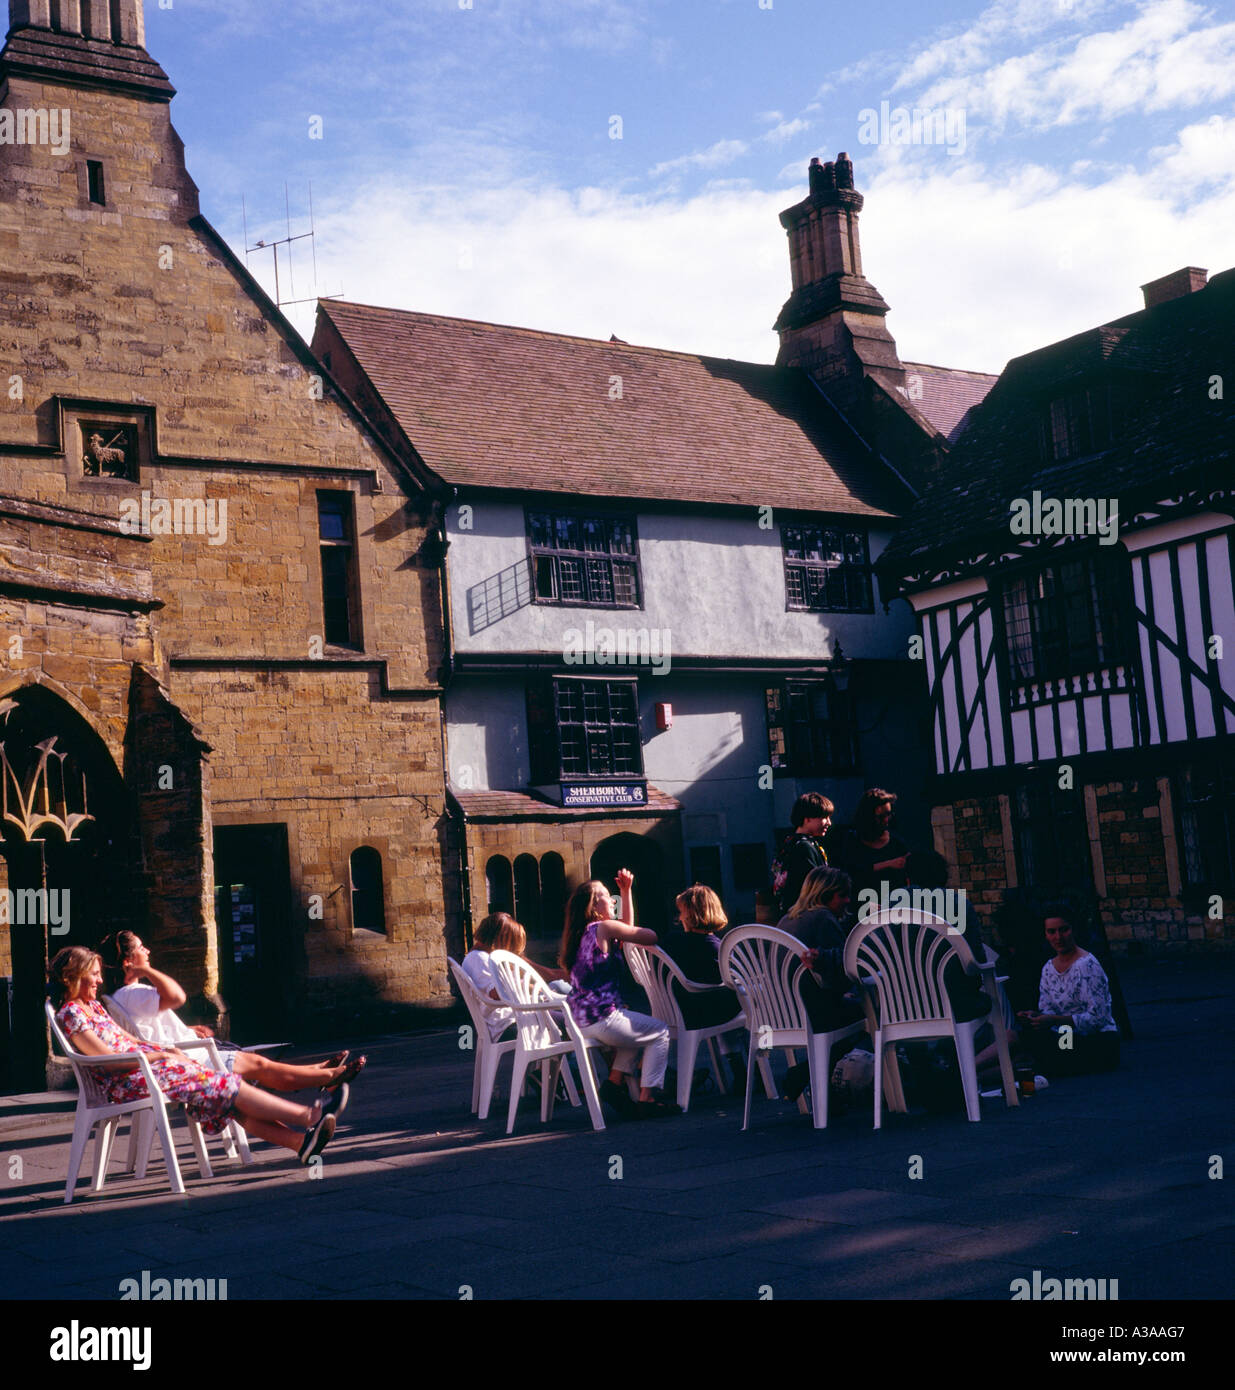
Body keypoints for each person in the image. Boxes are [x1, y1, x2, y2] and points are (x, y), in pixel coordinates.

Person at [51, 946, 340, 1165]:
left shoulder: (94, 1007)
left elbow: (130, 1040)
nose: (100, 981)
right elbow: (110, 1061)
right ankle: (308, 1116)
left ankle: (301, 1143)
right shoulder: (71, 1014)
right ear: (70, 977)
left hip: (146, 1068)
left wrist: (165, 1050)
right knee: (222, 1086)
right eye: (94, 974)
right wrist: (158, 1059)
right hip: (128, 1081)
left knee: (222, 1093)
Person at [99, 931, 365, 1092]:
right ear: (128, 961)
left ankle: (321, 1071)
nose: (148, 951)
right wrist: (144, 970)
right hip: (193, 1057)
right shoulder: (133, 993)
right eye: (141, 949)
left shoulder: (128, 997)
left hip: (191, 1048)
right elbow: (177, 997)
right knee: (261, 1066)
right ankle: (330, 1076)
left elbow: (148, 1028)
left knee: (263, 1065)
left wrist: (187, 1029)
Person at [559, 869, 680, 1119]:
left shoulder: (582, 935)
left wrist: (626, 891)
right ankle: (648, 1098)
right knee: (659, 1032)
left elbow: (626, 931)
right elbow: (647, 936)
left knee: (635, 1032)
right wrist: (627, 894)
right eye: (606, 895)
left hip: (583, 1022)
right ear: (593, 906)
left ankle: (614, 1085)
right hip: (603, 1019)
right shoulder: (603, 927)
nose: (612, 900)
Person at [776, 866, 866, 1101]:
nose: (848, 900)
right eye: (843, 895)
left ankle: (813, 1083)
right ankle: (806, 1075)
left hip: (785, 1013)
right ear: (825, 895)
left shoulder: (786, 920)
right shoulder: (823, 918)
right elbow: (844, 973)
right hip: (817, 1013)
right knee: (872, 1013)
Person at [1017, 909, 1120, 1076]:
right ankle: (970, 1074)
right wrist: (1036, 1017)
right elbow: (1048, 1011)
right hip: (1067, 1038)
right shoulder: (1049, 968)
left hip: (1097, 1041)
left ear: (1074, 930)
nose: (1058, 937)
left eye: (1064, 930)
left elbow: (1097, 1019)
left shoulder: (1086, 965)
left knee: (1029, 1053)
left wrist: (1053, 1020)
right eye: (1052, 932)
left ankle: (969, 1075)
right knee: (1021, 1047)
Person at [660, 885, 744, 1089]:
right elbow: (724, 980)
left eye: (681, 913)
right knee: (753, 1004)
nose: (679, 919)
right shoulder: (713, 947)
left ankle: (741, 1069)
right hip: (705, 1011)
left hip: (683, 1008)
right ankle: (755, 1064)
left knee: (735, 999)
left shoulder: (672, 942)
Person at [831, 787, 910, 900]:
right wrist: (887, 864)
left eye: (888, 814)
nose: (886, 820)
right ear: (868, 817)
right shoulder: (851, 842)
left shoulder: (897, 843)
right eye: (881, 816)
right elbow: (850, 873)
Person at [773, 792, 835, 917]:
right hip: (806, 914)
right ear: (807, 819)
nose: (829, 823)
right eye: (825, 817)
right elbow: (817, 887)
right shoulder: (804, 848)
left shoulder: (789, 842)